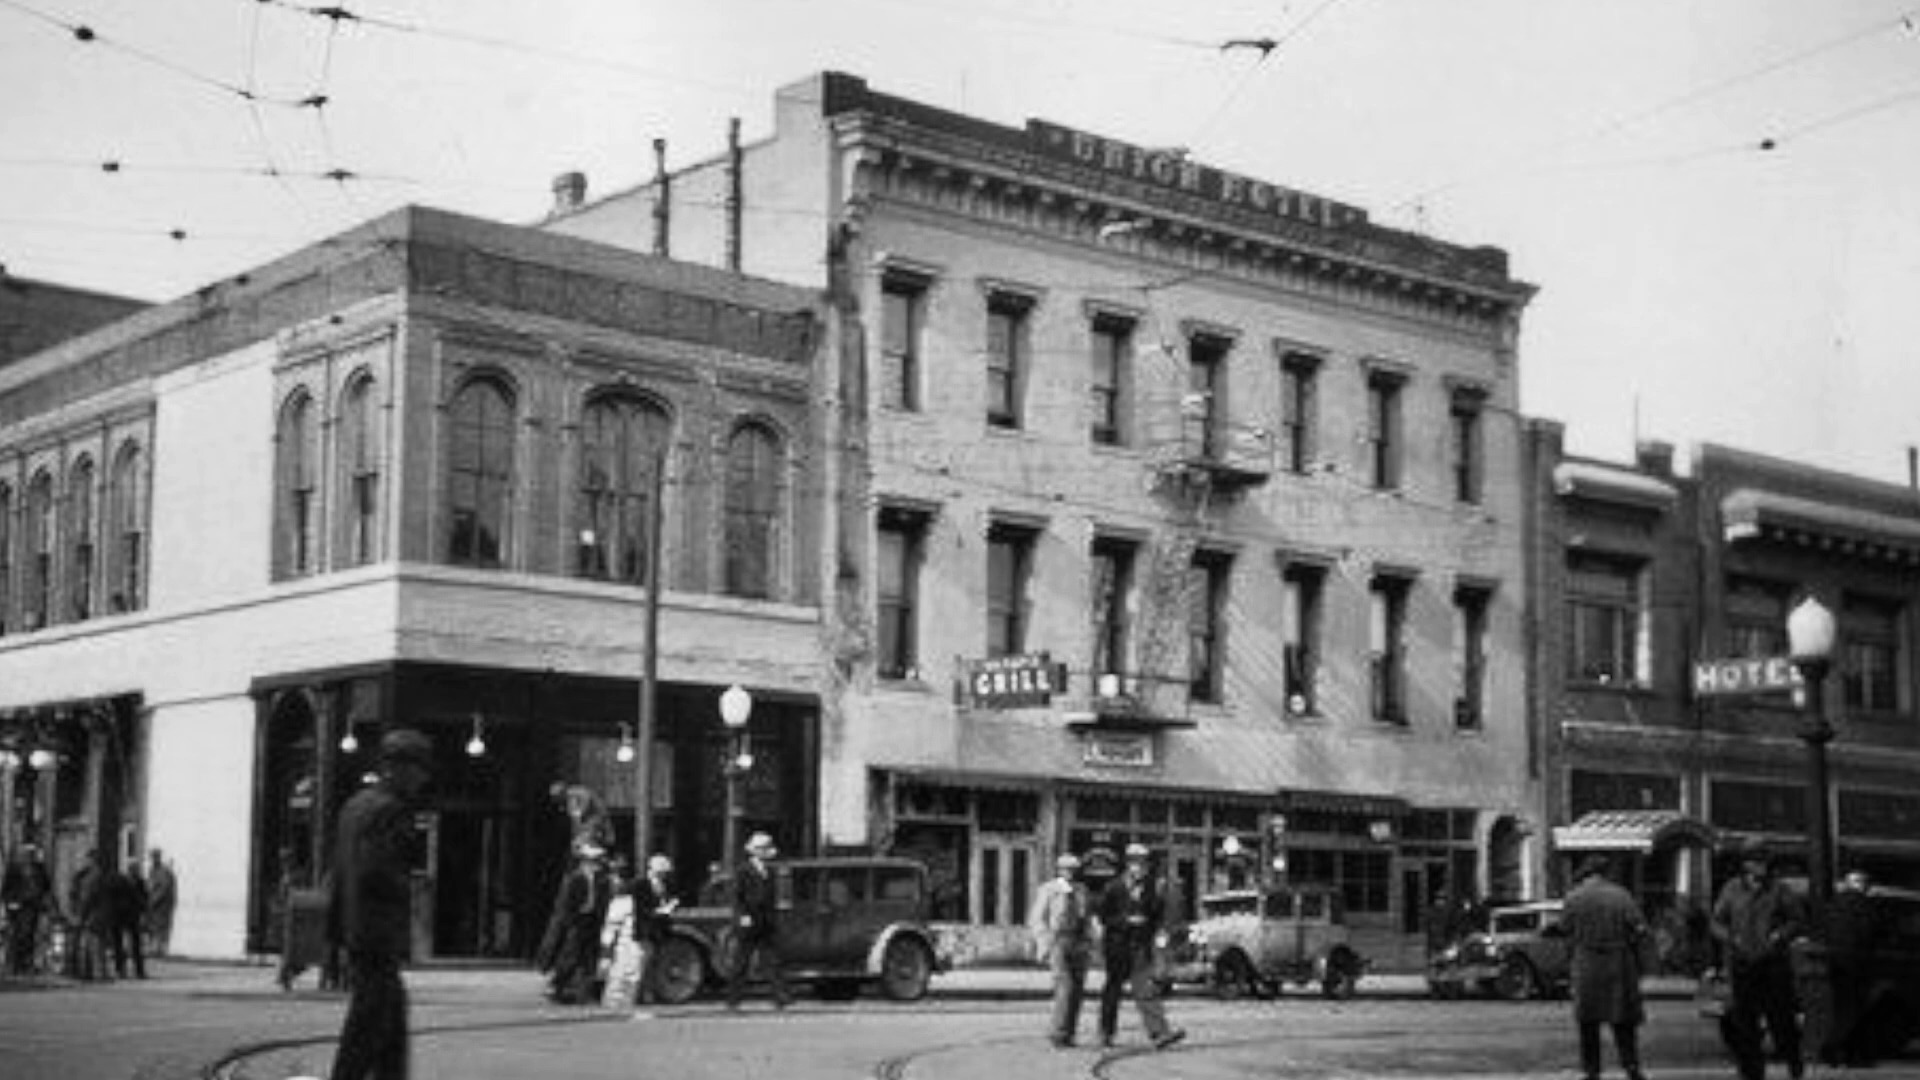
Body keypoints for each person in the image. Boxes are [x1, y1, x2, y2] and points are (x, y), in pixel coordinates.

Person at [325, 728, 434, 1080]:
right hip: (377, 932)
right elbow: (376, 871)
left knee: (391, 1022)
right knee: (368, 1024)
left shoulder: (354, 805)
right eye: (419, 768)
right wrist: (408, 888)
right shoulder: (390, 810)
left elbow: (339, 872)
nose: (423, 778)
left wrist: (336, 932)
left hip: (355, 928)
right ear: (398, 767)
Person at [1711, 841, 1808, 1080]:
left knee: (1782, 1020)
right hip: (1742, 963)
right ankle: (1751, 1072)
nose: (1761, 865)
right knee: (1745, 1023)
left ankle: (1794, 1062)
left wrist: (1779, 935)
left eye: (1764, 860)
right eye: (1756, 860)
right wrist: (1730, 937)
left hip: (1773, 965)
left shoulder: (1780, 889)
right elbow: (1716, 921)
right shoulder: (1732, 888)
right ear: (1746, 864)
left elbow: (1797, 920)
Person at [1561, 854, 1650, 1080]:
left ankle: (1592, 1071)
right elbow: (1640, 929)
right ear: (1606, 872)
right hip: (1618, 963)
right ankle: (1631, 1066)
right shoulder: (1621, 896)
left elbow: (1565, 929)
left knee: (1588, 1023)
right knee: (1623, 1021)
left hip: (1586, 963)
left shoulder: (1574, 897)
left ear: (1586, 872)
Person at [1095, 843, 1185, 1051]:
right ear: (1128, 865)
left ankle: (1159, 1033)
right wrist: (1126, 921)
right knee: (1112, 990)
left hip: (1140, 946)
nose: (1141, 868)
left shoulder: (1152, 888)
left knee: (1145, 988)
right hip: (1117, 946)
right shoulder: (1113, 887)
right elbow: (1104, 917)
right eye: (1136, 864)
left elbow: (1156, 915)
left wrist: (1159, 929)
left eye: (1144, 864)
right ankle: (1106, 1032)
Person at [1030, 852, 1092, 1048]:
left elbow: (1087, 917)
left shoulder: (1082, 890)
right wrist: (1044, 942)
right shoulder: (1049, 889)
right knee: (1065, 987)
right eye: (1066, 869)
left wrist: (1091, 940)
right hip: (1059, 940)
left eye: (1073, 869)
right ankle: (1057, 1032)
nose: (1070, 873)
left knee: (1077, 990)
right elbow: (1037, 918)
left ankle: (1069, 1033)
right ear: (1059, 870)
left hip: (1079, 941)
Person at [537, 844, 612, 1005]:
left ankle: (583, 992)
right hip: (576, 920)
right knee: (571, 955)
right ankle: (556, 985)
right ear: (585, 862)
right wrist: (568, 923)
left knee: (589, 957)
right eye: (594, 860)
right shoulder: (574, 878)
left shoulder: (602, 880)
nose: (597, 864)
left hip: (592, 921)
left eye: (598, 860)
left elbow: (603, 902)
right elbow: (565, 903)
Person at [1822, 867, 1882, 1068]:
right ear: (1863, 885)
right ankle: (1837, 1049)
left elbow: (1826, 931)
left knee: (1842, 1009)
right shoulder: (1865, 905)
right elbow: (1869, 932)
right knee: (1856, 1010)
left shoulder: (1833, 904)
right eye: (1866, 884)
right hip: (1857, 963)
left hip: (1836, 963)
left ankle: (1846, 1054)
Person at [726, 831, 791, 1010]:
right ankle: (733, 999)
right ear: (756, 851)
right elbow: (736, 896)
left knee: (772, 961)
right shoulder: (743, 870)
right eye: (764, 849)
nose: (767, 852)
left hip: (765, 921)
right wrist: (742, 916)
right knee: (742, 962)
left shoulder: (769, 870)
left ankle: (781, 997)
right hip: (749, 920)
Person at [632, 854, 679, 1005]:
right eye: (662, 872)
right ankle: (641, 994)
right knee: (645, 962)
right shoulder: (640, 884)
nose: (664, 875)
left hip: (660, 929)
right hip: (646, 928)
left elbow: (670, 899)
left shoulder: (665, 885)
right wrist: (656, 912)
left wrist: (671, 905)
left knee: (657, 961)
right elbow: (639, 908)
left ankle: (652, 992)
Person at [3, 844, 54, 975]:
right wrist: (10, 902)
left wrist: (46, 902)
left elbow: (46, 887)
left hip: (33, 906)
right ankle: (15, 963)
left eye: (32, 854)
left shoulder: (39, 869)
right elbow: (7, 887)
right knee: (17, 934)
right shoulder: (15, 868)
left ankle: (26, 962)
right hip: (18, 906)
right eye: (27, 854)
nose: (29, 856)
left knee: (31, 934)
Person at [108, 857, 149, 979]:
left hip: (133, 916)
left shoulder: (140, 882)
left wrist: (143, 912)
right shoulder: (120, 881)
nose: (134, 870)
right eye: (132, 868)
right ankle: (120, 969)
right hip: (119, 915)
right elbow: (113, 897)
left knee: (136, 944)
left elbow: (144, 898)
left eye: (136, 868)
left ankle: (139, 970)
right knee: (118, 944)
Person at [548, 782, 613, 854]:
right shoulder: (575, 791)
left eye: (555, 797)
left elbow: (576, 819)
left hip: (595, 822)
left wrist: (577, 838)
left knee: (579, 844)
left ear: (561, 793)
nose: (555, 800)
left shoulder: (573, 796)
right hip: (598, 821)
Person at [145, 849, 177, 958]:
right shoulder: (152, 871)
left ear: (159, 857)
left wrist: (153, 900)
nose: (153, 859)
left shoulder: (164, 872)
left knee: (161, 928)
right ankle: (154, 948)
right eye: (152, 857)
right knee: (153, 927)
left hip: (162, 906)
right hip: (153, 906)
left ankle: (161, 949)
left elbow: (164, 889)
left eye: (155, 857)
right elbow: (150, 886)